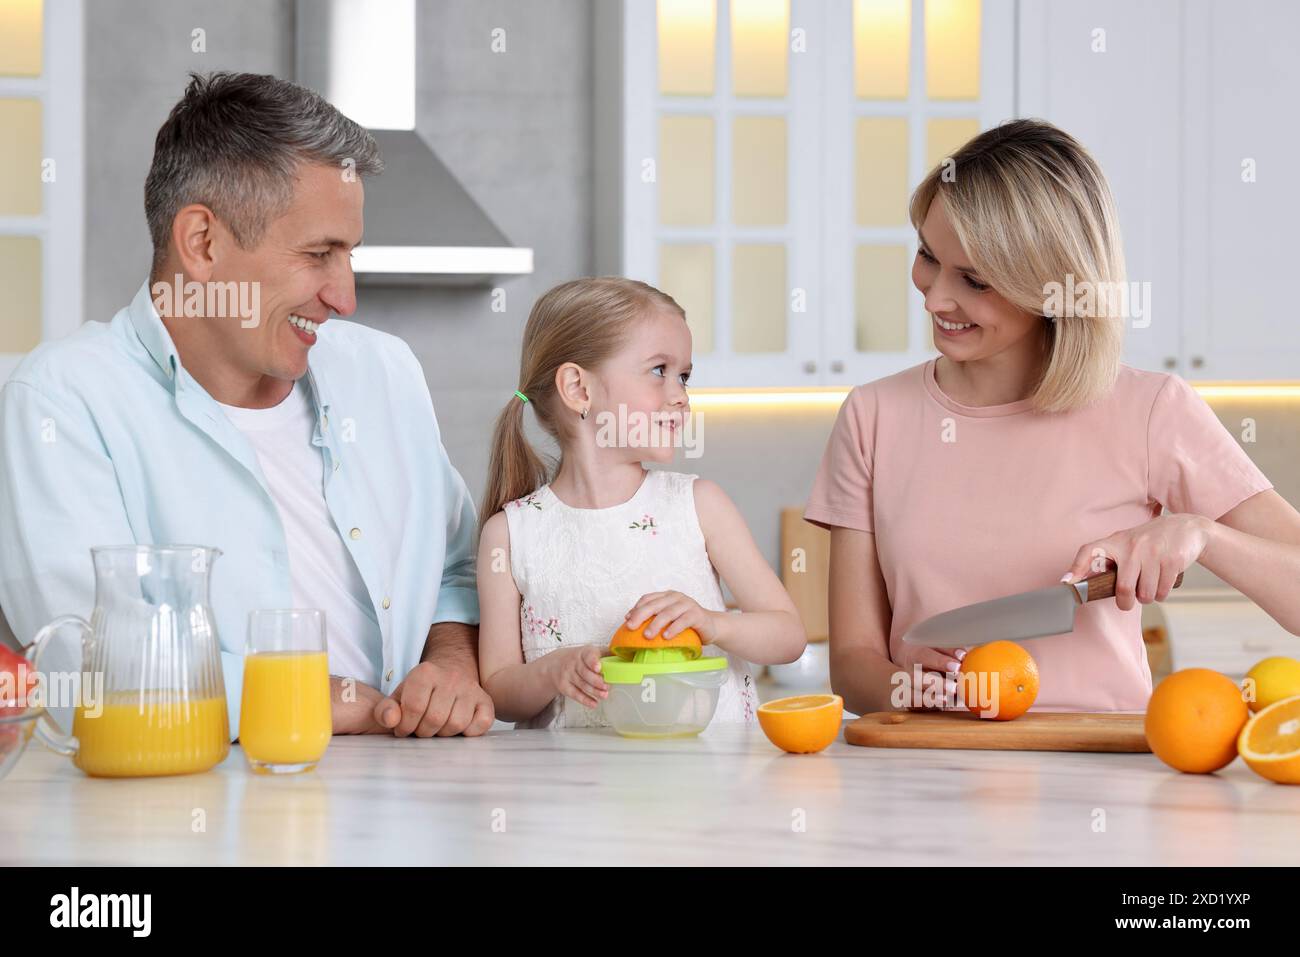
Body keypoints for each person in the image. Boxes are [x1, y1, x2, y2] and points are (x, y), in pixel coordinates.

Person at [0, 72, 494, 739]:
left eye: (350, 254)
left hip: (413, 818)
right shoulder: (64, 403)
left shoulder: (385, 372)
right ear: (202, 243)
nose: (345, 297)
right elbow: (93, 672)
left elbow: (456, 571)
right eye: (319, 254)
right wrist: (350, 699)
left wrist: (451, 664)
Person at [805, 119, 1300, 715]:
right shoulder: (872, 416)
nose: (935, 297)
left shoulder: (1151, 410)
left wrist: (1202, 536)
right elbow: (853, 663)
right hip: (927, 779)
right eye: (927, 257)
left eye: (975, 280)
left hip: (1102, 781)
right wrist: (907, 683)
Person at [476, 277, 807, 729]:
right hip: (570, 790)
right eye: (659, 371)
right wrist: (553, 670)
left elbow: (788, 636)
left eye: (684, 376)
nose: (680, 395)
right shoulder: (510, 534)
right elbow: (499, 691)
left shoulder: (699, 506)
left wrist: (714, 624)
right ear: (578, 388)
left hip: (709, 785)